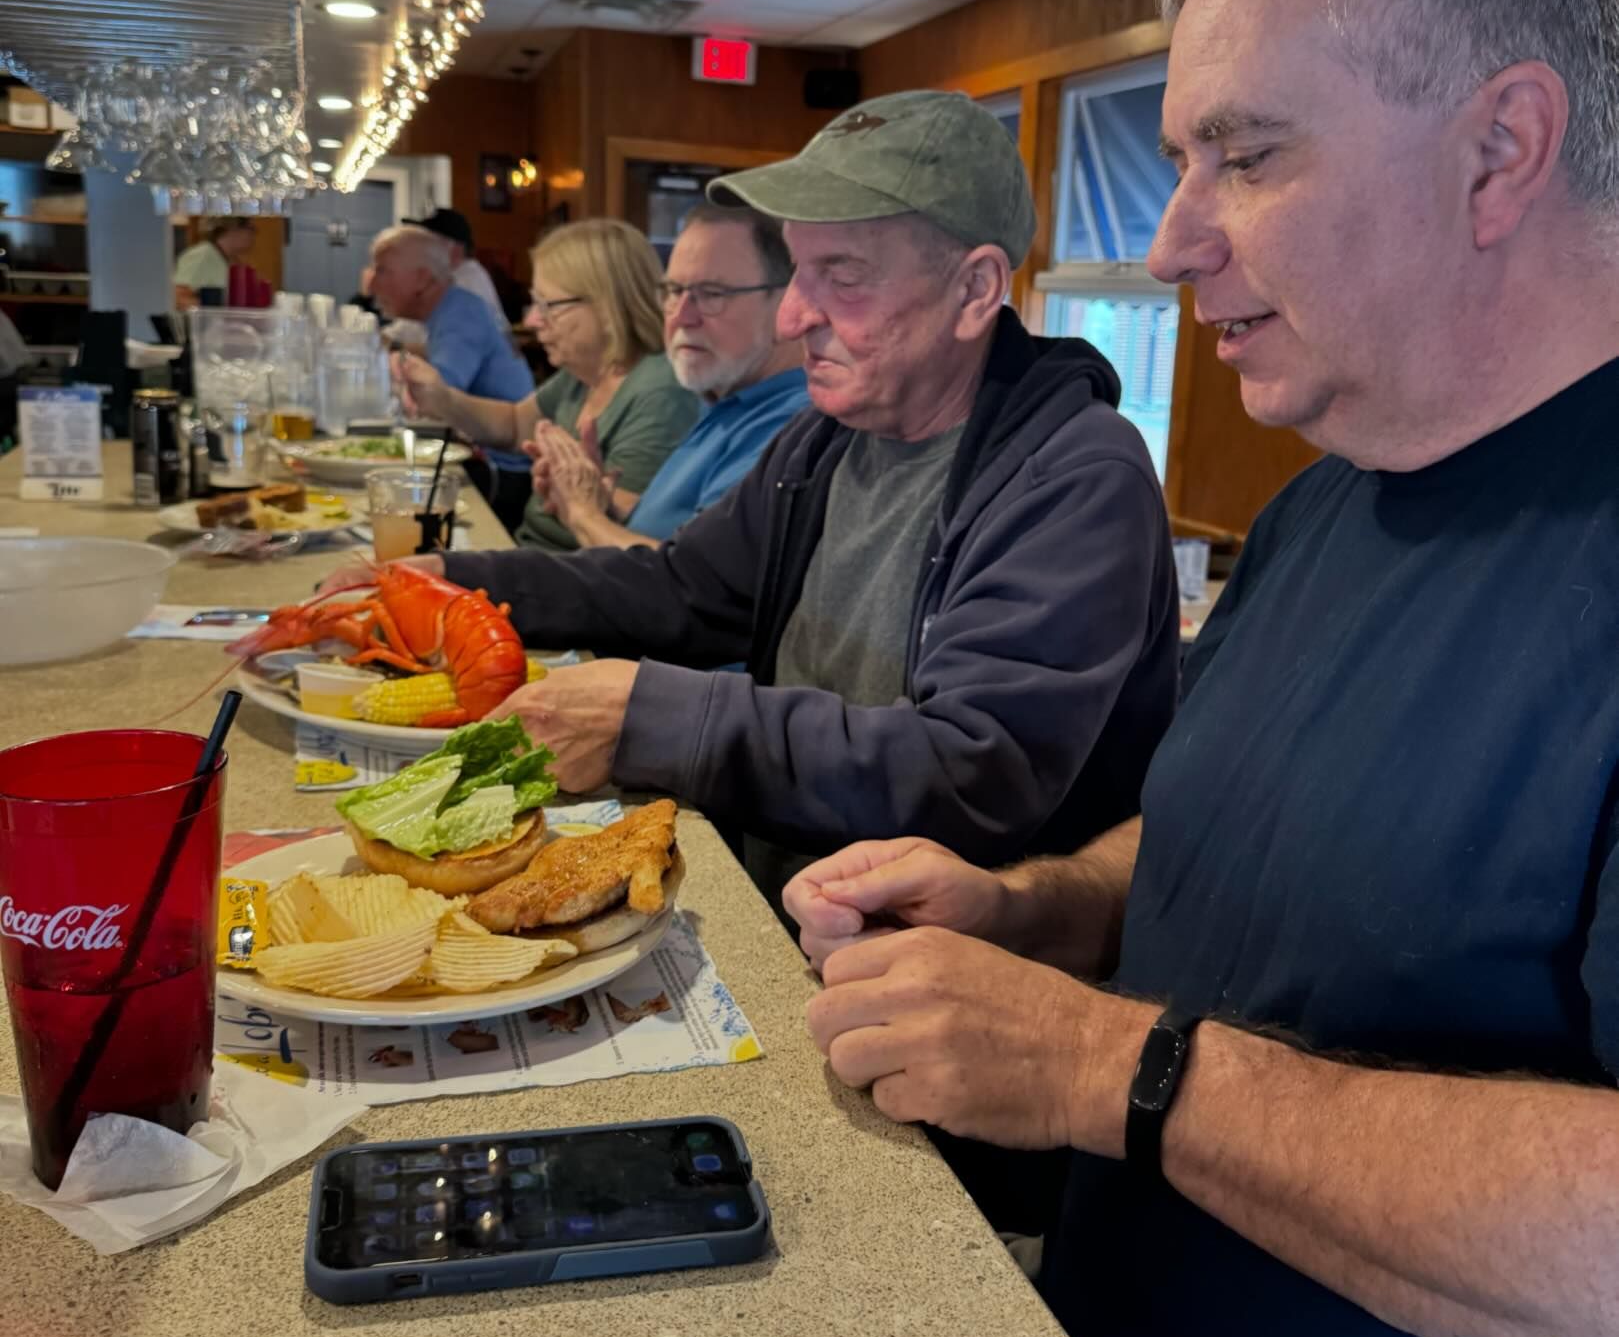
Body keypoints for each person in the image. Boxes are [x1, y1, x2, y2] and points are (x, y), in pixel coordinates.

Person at [788, 0, 1619, 1337]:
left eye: (1244, 156)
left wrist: (1111, 1063)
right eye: (1178, 163)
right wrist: (1034, 909)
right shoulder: (1321, 496)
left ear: (1499, 148)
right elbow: (1218, 835)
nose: (1170, 243)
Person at [335, 90, 1179, 925]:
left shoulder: (1075, 474)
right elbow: (682, 590)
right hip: (768, 890)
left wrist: (650, 715)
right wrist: (451, 578)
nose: (791, 315)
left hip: (930, 963)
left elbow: (970, 771)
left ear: (973, 289)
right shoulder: (827, 437)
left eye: (839, 277)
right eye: (796, 271)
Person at [393, 218, 699, 546]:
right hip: (533, 555)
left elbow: (628, 550)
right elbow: (513, 425)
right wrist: (442, 399)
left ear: (608, 306)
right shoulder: (585, 374)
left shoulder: (660, 392)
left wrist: (584, 503)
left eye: (548, 305)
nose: (533, 321)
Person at [530, 204, 809, 549]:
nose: (682, 317)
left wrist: (584, 515)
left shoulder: (789, 425)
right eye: (674, 291)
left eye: (712, 294)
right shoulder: (722, 396)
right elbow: (669, 540)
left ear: (787, 304)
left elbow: (693, 586)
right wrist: (603, 507)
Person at [367, 225, 533, 511]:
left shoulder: (461, 315)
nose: (371, 285)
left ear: (421, 278)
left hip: (503, 473)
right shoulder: (454, 308)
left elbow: (434, 398)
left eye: (383, 271)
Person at [404, 207, 510, 335]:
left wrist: (396, 344)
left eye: (428, 241)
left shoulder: (467, 281)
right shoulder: (445, 277)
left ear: (455, 248)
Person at [172, 217, 253, 308]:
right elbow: (178, 297)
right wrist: (210, 314)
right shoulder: (202, 255)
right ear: (233, 229)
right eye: (251, 229)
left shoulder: (231, 261)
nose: (252, 236)